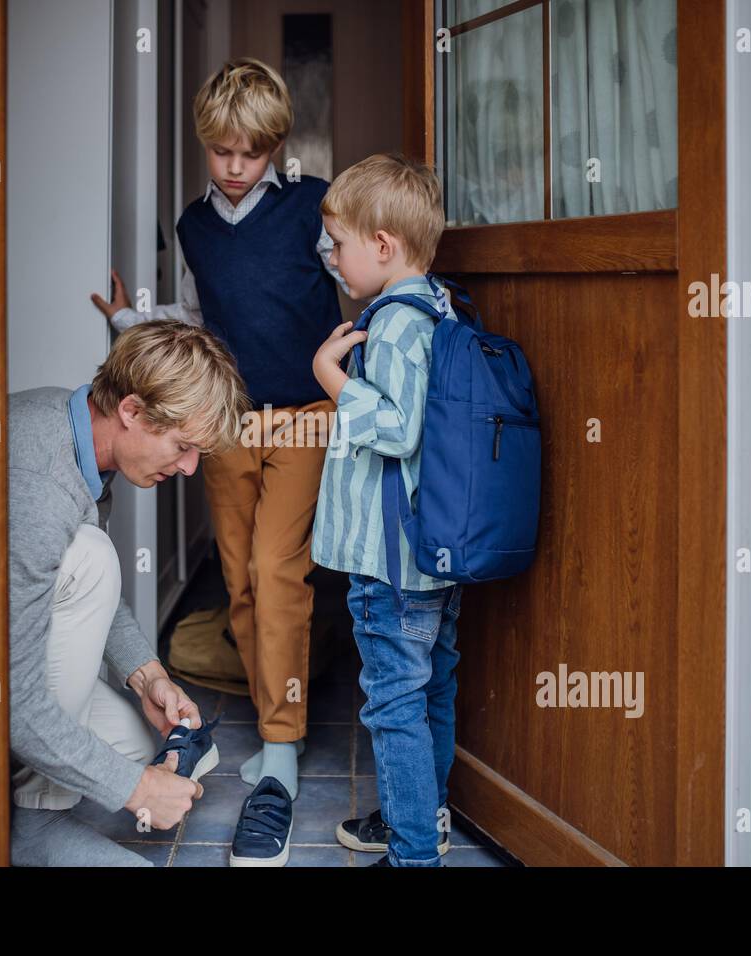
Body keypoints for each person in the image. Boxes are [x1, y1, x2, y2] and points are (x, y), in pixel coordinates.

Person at [90, 58, 351, 820]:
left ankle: (282, 739)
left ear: (276, 147)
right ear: (207, 143)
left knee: (277, 569)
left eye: (253, 153)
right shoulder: (194, 226)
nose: (236, 169)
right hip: (228, 422)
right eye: (222, 152)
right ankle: (276, 710)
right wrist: (128, 322)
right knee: (239, 578)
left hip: (305, 417)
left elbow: (360, 277)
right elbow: (202, 316)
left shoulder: (314, 207)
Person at [8, 320, 249, 866]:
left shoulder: (74, 430)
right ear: (133, 411)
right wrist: (137, 791)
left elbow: (68, 582)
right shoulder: (41, 488)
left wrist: (149, 676)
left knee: (177, 754)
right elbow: (16, 703)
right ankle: (30, 824)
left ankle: (36, 799)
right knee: (92, 555)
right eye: (183, 446)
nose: (189, 469)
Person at [309, 153, 460, 867]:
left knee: (395, 707)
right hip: (428, 557)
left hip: (389, 563)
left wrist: (331, 380)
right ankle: (420, 819)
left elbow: (399, 428)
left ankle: (410, 854)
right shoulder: (439, 305)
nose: (331, 258)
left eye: (338, 244)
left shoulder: (397, 325)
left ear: (382, 246)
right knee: (429, 692)